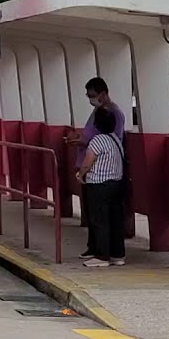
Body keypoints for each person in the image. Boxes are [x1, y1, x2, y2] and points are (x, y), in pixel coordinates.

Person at [66, 77, 126, 259]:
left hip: (99, 174)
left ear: (103, 93)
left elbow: (92, 151)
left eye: (92, 95)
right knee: (96, 215)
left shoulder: (112, 114)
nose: (90, 99)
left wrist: (81, 173)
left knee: (101, 216)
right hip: (107, 175)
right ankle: (98, 248)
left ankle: (103, 253)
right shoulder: (98, 112)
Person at [77, 106, 126, 267]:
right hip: (116, 184)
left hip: (98, 185)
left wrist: (80, 174)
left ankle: (102, 256)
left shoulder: (97, 140)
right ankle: (117, 255)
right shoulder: (115, 139)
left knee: (99, 219)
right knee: (115, 220)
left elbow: (88, 162)